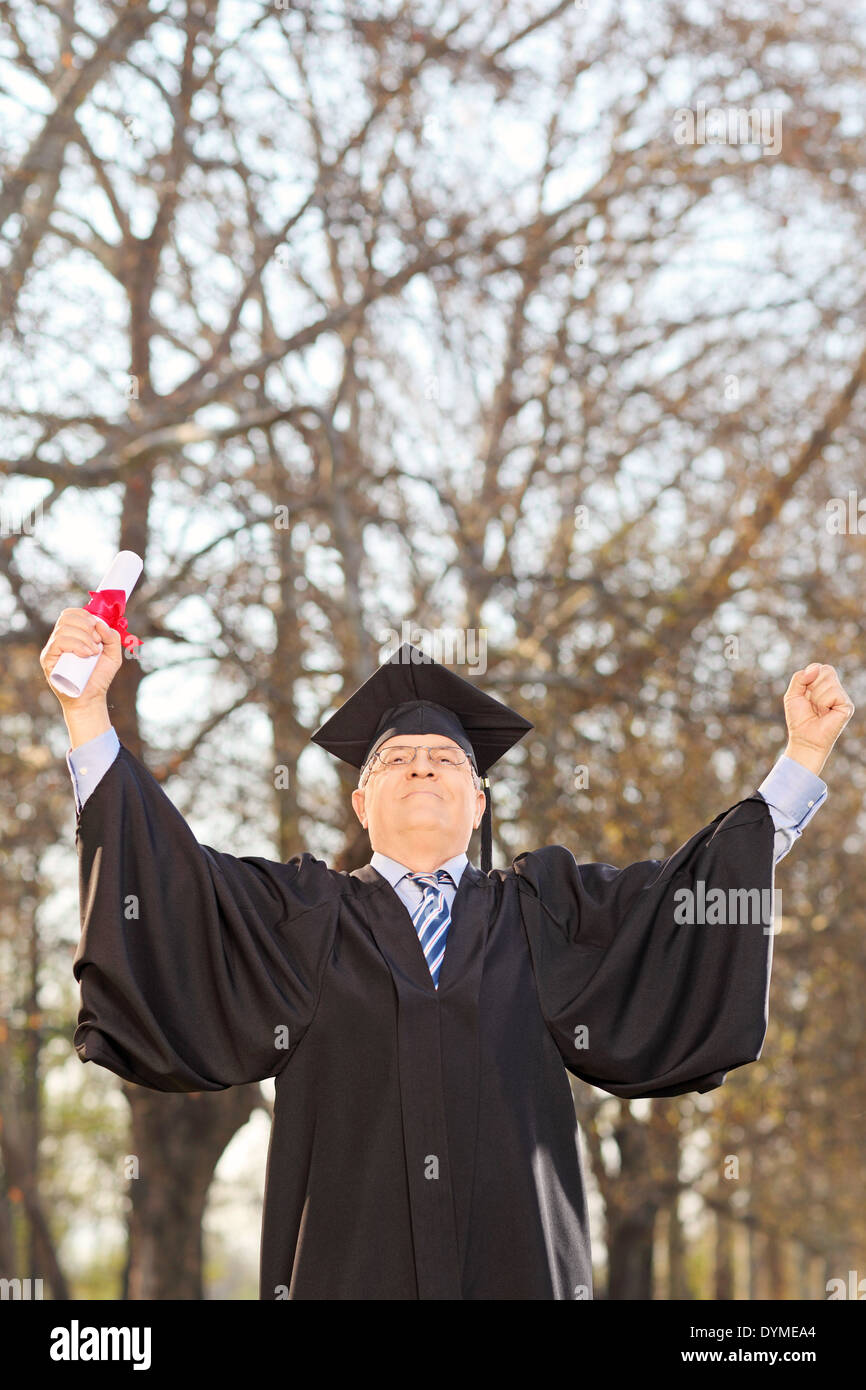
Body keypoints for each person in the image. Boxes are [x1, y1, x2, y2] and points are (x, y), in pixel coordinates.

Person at [40, 608, 854, 1300]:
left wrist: (801, 760)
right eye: (394, 760)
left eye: (446, 760)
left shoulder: (550, 911)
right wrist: (88, 717)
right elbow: (171, 885)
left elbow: (684, 900)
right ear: (361, 801)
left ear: (479, 802)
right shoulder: (300, 915)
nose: (421, 765)